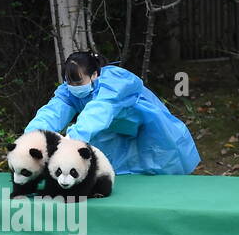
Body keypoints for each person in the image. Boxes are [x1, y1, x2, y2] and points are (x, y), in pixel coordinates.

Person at [24, 51, 201, 175]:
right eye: (69, 82)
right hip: (113, 131)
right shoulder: (69, 90)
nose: (73, 88)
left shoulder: (115, 81)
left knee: (162, 171)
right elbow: (52, 112)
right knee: (114, 173)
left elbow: (100, 110)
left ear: (94, 75)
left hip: (148, 127)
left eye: (78, 83)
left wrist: (71, 139)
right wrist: (32, 138)